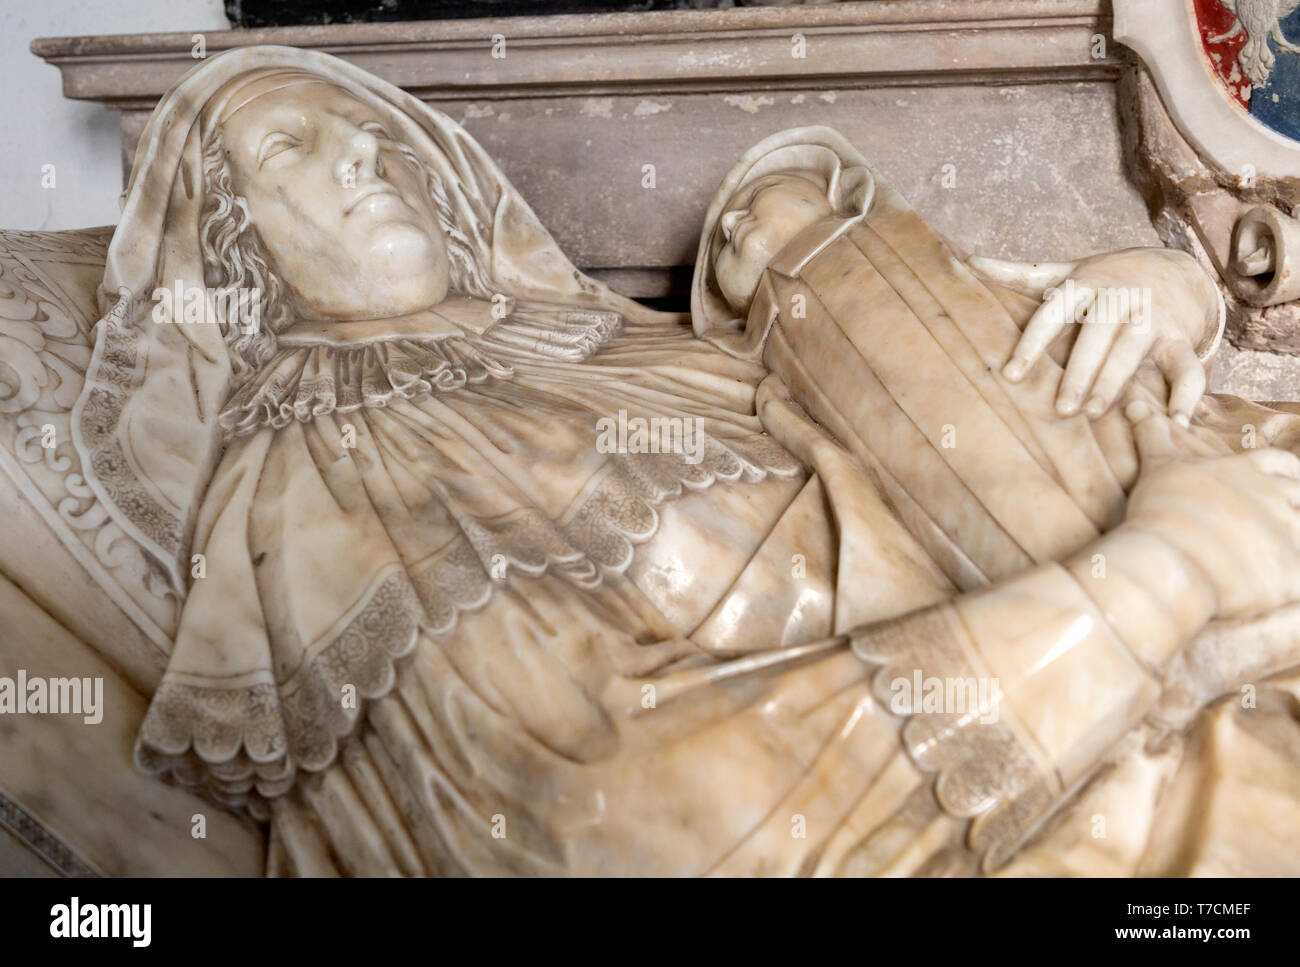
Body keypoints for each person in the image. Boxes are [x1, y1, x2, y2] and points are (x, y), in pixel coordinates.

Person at [73, 49, 1300, 875]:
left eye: (370, 133)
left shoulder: (591, 348)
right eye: (289, 149)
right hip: (1087, 791)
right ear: (226, 255)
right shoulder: (330, 473)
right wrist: (1155, 584)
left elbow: (918, 370)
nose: (364, 157)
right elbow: (610, 816)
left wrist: (1167, 288)